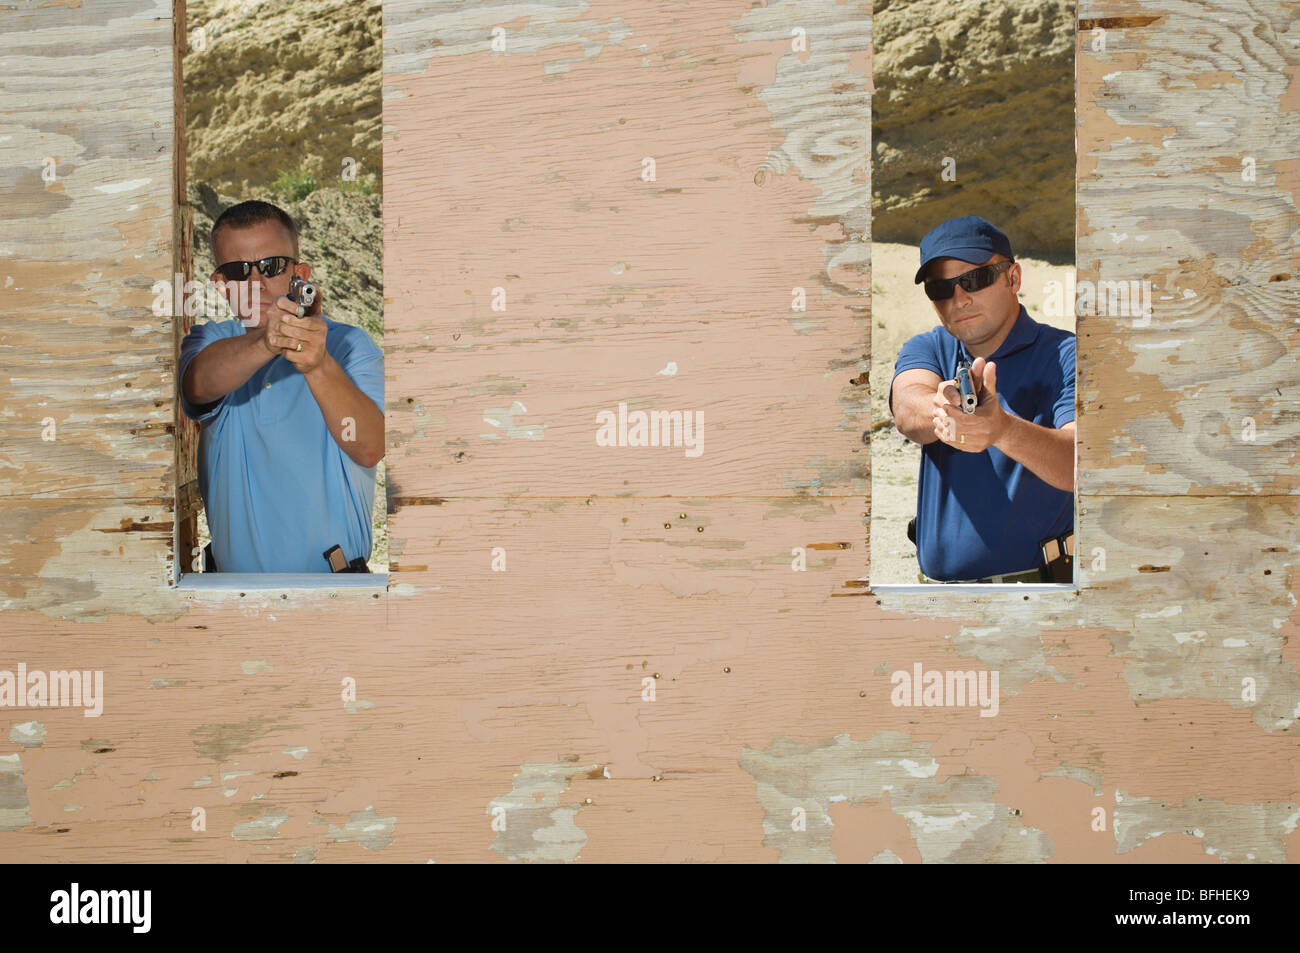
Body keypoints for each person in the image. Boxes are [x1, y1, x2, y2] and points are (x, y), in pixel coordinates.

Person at [179, 201, 385, 573]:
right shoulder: (209, 341)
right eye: (239, 271)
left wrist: (317, 364)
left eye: (271, 267)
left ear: (300, 274)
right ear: (221, 286)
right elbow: (197, 385)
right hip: (231, 600)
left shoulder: (351, 346)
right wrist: (266, 343)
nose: (256, 283)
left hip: (337, 595)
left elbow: (370, 448)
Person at [889, 216, 1075, 583]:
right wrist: (942, 409)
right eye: (939, 288)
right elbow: (908, 406)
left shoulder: (1066, 354)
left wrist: (1002, 430)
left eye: (975, 279)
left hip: (1038, 596)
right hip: (939, 599)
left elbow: (1082, 466)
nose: (959, 298)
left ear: (1013, 278)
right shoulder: (928, 347)